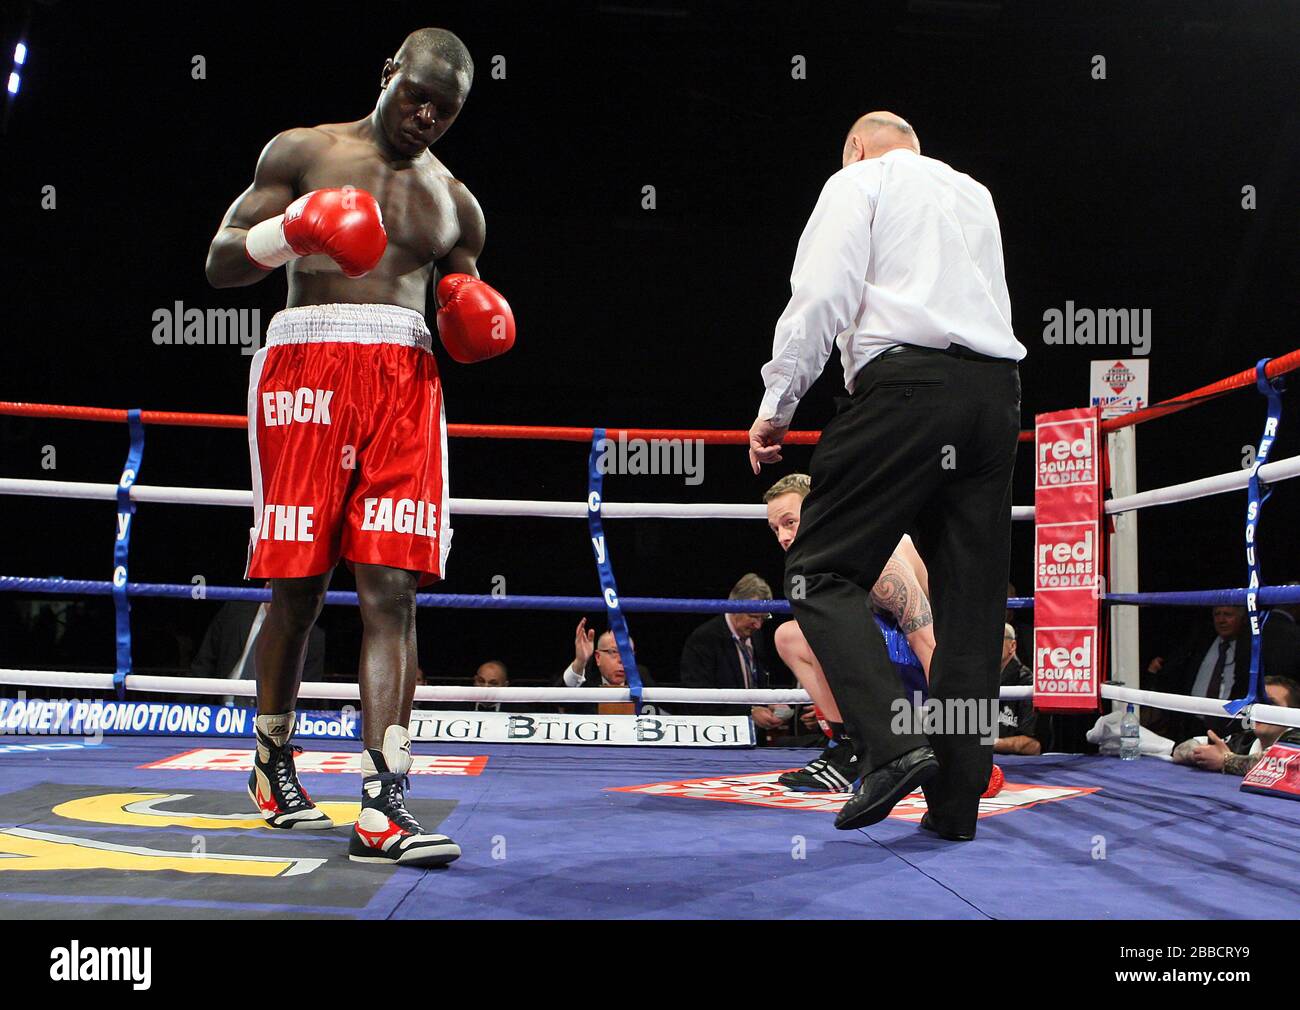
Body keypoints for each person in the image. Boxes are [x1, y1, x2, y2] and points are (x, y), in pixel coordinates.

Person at [205, 28, 514, 867]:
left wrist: (473, 317)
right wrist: (295, 231)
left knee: (392, 590)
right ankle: (272, 761)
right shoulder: (303, 152)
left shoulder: (457, 204)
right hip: (306, 362)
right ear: (387, 73)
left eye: (444, 112)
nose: (425, 116)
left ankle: (384, 803)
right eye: (416, 95)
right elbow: (221, 263)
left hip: (404, 377)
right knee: (297, 587)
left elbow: (464, 322)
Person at [749, 112, 1024, 841]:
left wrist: (778, 403)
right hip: (996, 401)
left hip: (906, 390)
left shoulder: (859, 179)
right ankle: (957, 809)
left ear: (855, 145)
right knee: (968, 611)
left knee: (817, 568)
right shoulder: (974, 192)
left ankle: (890, 743)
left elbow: (821, 294)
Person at [761, 473, 932, 790]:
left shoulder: (879, 556)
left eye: (790, 522)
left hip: (928, 671)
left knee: (821, 628)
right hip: (889, 670)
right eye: (775, 529)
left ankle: (877, 747)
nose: (783, 537)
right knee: (789, 636)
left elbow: (928, 642)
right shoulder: (819, 561)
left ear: (817, 512)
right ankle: (846, 747)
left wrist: (959, 737)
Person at [679, 574, 790, 738]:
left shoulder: (755, 635)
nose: (758, 625)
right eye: (753, 616)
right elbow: (699, 702)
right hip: (718, 736)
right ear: (734, 606)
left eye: (763, 617)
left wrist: (770, 703)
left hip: (753, 737)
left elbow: (754, 682)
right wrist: (750, 711)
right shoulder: (704, 639)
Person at [1172, 676, 1299, 775]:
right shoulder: (1245, 740)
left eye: (1271, 703)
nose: (1261, 709)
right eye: (1257, 702)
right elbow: (1180, 750)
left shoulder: (1295, 740)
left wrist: (1226, 761)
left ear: (1293, 713)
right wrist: (1200, 754)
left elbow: (1279, 765)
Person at [994, 623, 1041, 756]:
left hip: (1019, 765)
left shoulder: (1027, 682)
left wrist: (987, 743)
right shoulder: (980, 677)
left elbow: (1032, 745)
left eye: (996, 638)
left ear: (1012, 646)